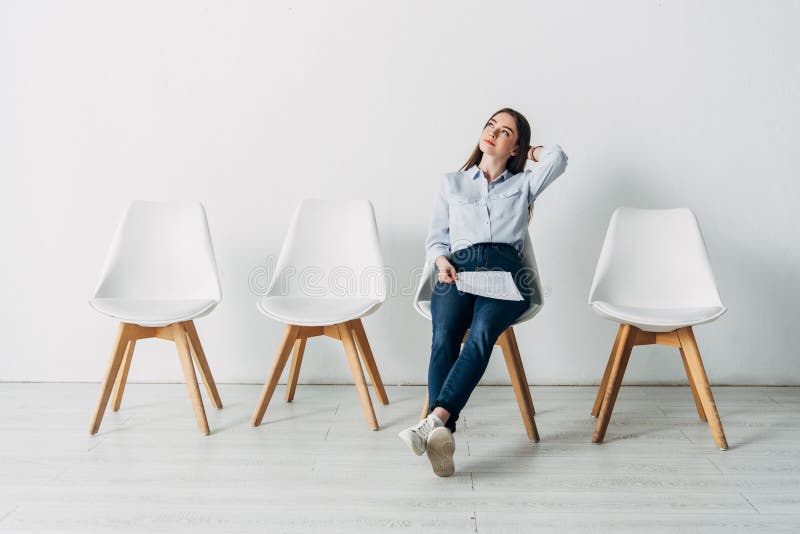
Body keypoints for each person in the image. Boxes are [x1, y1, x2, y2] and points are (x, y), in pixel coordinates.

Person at [398, 108, 568, 477]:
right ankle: (440, 429)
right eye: (491, 125)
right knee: (443, 338)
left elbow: (559, 158)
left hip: (504, 271)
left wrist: (530, 153)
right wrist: (440, 262)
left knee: (481, 335)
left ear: (515, 145)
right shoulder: (452, 183)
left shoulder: (523, 183)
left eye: (505, 131)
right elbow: (436, 238)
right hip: (456, 269)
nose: (493, 132)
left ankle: (434, 421)